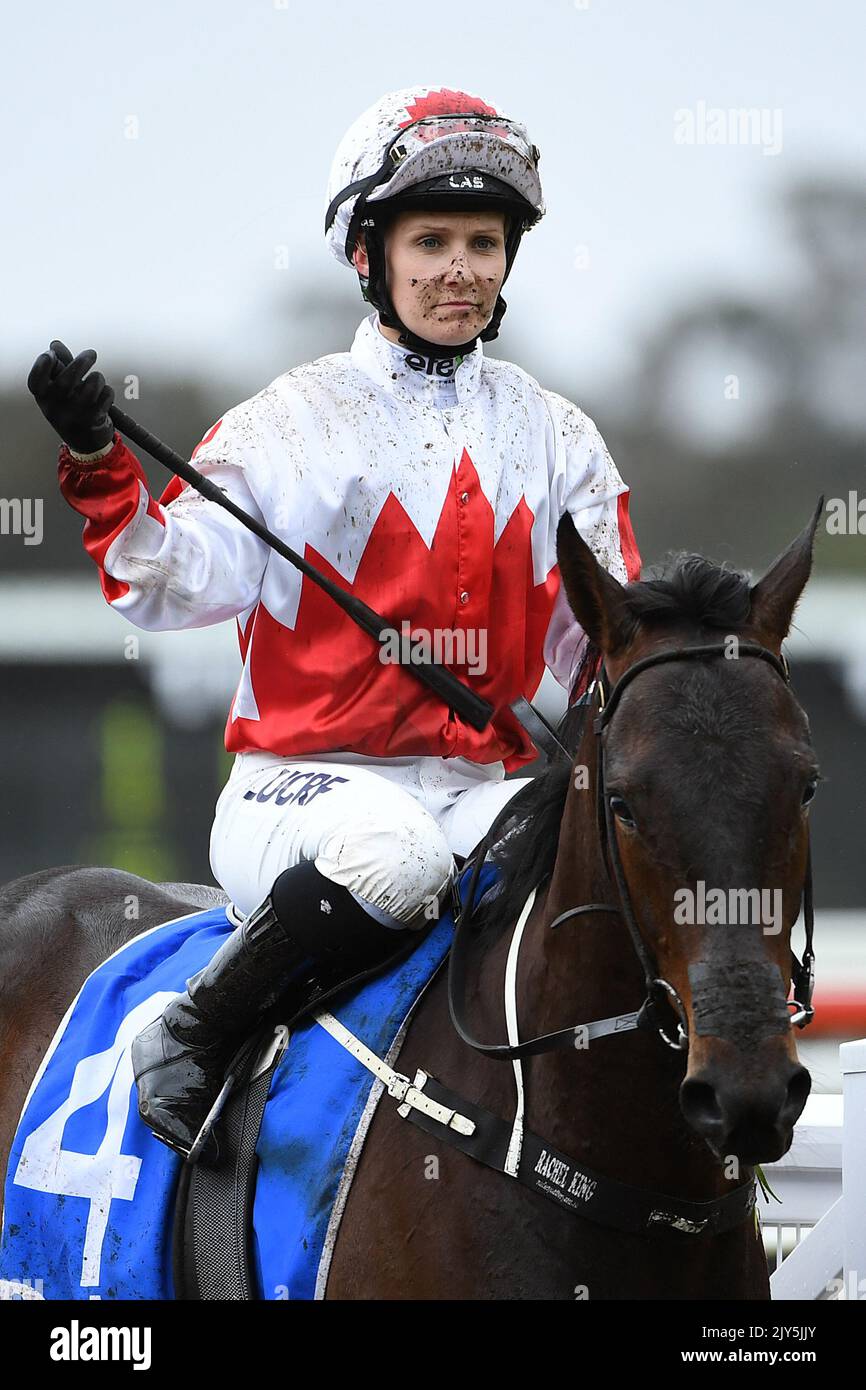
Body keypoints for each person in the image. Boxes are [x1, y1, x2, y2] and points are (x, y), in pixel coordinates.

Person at [28, 85, 642, 1163]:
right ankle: (192, 1035)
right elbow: (163, 583)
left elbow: (603, 650)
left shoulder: (558, 440)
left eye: (485, 243)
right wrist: (98, 460)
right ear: (368, 253)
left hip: (475, 798)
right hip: (299, 793)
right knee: (394, 858)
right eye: (433, 239)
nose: (462, 268)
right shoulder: (290, 422)